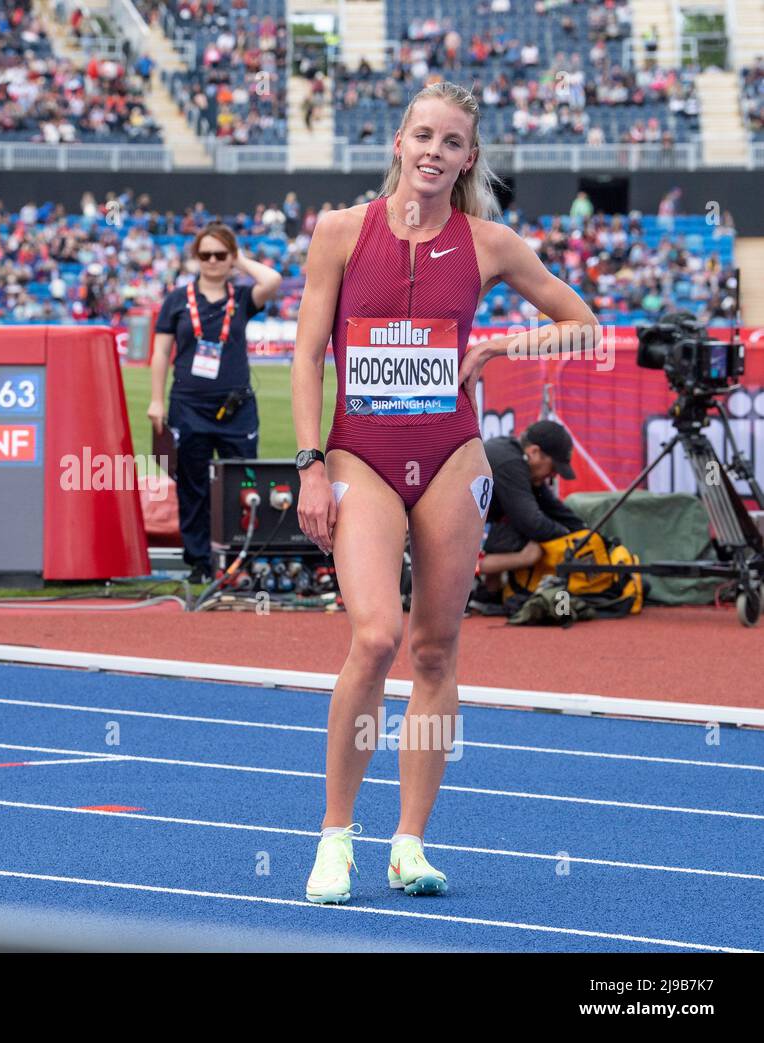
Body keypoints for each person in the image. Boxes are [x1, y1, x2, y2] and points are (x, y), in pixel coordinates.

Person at [291, 81, 604, 904]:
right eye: (422, 135)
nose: (434, 151)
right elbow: (306, 355)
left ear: (469, 158)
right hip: (362, 453)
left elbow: (584, 322)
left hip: (451, 453)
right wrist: (309, 464)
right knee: (373, 635)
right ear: (398, 142)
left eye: (452, 142)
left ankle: (411, 842)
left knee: (435, 648)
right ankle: (334, 835)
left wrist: (506, 342)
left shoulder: (491, 242)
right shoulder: (338, 232)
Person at [149, 224, 282, 584]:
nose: (212, 261)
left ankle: (240, 558)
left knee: (242, 482)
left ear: (230, 258)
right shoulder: (177, 300)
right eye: (205, 254)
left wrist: (239, 259)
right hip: (188, 406)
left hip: (236, 408)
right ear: (196, 257)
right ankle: (199, 561)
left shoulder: (241, 297)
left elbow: (272, 279)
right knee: (192, 485)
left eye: (220, 255)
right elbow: (161, 352)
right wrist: (156, 400)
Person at [470, 420, 585, 613]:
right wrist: (567, 538)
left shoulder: (519, 459)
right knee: (530, 544)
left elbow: (551, 507)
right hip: (443, 533)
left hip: (467, 527)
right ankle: (480, 588)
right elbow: (532, 523)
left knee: (522, 529)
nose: (553, 476)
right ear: (534, 452)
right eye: (554, 468)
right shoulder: (511, 463)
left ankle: (489, 591)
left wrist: (585, 533)